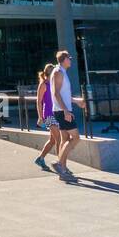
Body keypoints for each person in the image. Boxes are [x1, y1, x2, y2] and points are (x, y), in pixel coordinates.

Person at [49, 50, 81, 178]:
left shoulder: (62, 72)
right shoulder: (58, 72)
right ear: (64, 59)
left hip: (62, 110)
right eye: (69, 58)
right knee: (76, 137)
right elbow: (56, 93)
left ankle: (63, 168)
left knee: (65, 139)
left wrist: (76, 101)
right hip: (62, 111)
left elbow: (64, 94)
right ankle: (59, 163)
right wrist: (66, 110)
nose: (71, 60)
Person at [34, 62, 60, 168]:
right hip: (48, 114)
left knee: (53, 140)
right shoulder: (44, 84)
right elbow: (39, 101)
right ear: (50, 72)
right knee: (59, 139)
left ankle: (40, 159)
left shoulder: (54, 83)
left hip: (57, 113)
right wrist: (40, 117)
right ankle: (61, 164)